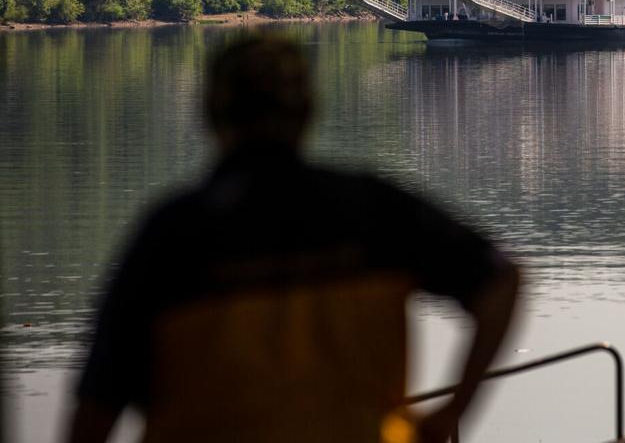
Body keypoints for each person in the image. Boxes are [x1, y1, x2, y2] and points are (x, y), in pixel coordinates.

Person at [67, 35, 518, 443]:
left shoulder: (172, 233)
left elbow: (97, 404)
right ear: (308, 111)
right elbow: (501, 280)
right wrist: (451, 412)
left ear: (210, 114)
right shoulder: (373, 208)